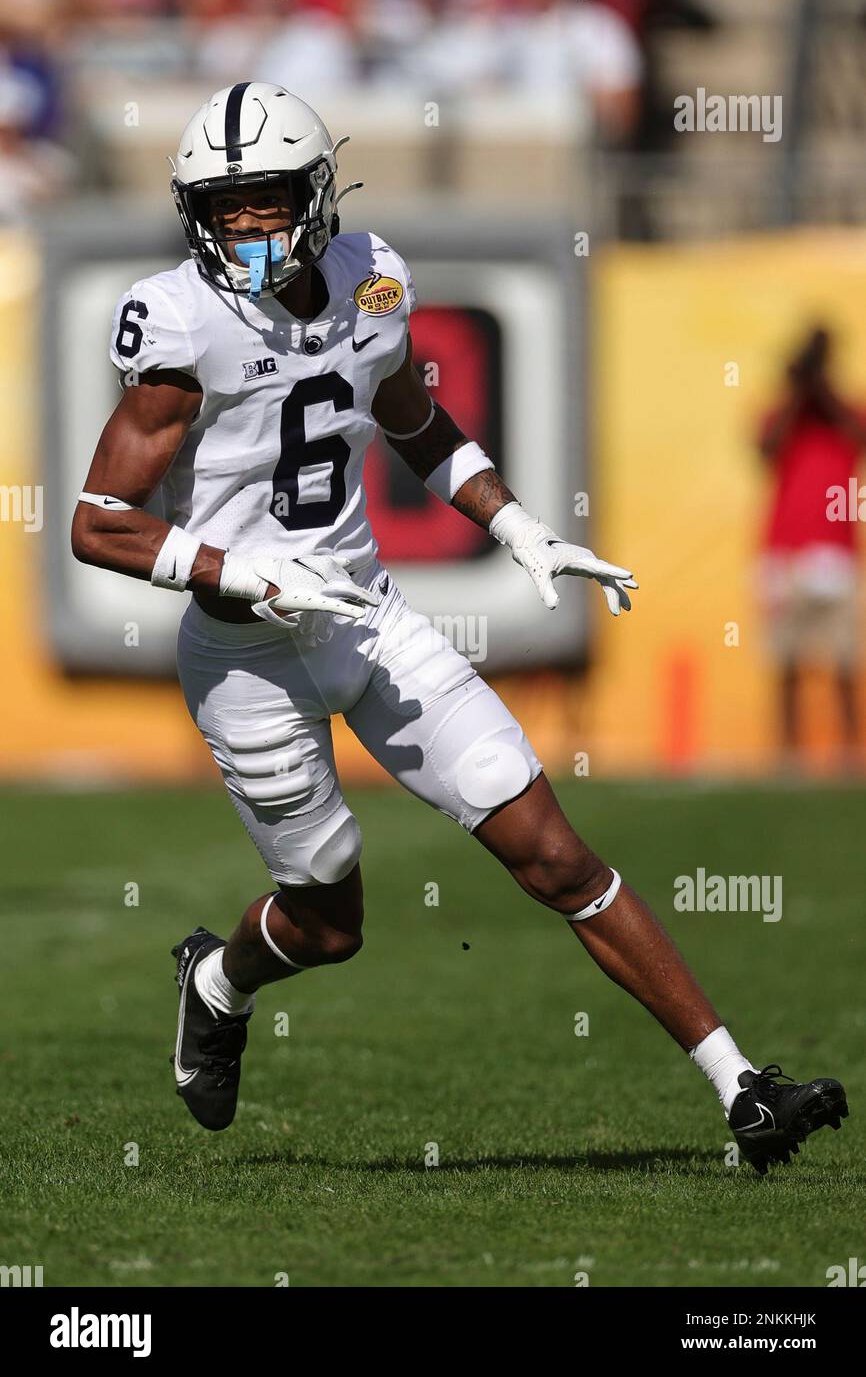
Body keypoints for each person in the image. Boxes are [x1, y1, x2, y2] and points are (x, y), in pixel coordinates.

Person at [71, 83, 846, 1174]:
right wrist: (237, 568)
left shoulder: (369, 280)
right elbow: (96, 525)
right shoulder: (180, 319)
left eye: (266, 200)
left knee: (551, 849)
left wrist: (518, 524)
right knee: (329, 922)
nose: (245, 226)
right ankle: (219, 980)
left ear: (318, 194)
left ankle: (742, 1090)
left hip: (366, 617)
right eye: (223, 204)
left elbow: (410, 419)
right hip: (246, 656)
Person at [758, 327, 865, 768]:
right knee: (786, 662)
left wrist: (821, 389)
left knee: (843, 663)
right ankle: (788, 762)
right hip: (785, 554)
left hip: (836, 554)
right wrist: (800, 395)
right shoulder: (782, 413)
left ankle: (849, 759)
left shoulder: (846, 410)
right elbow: (767, 450)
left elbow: (857, 437)